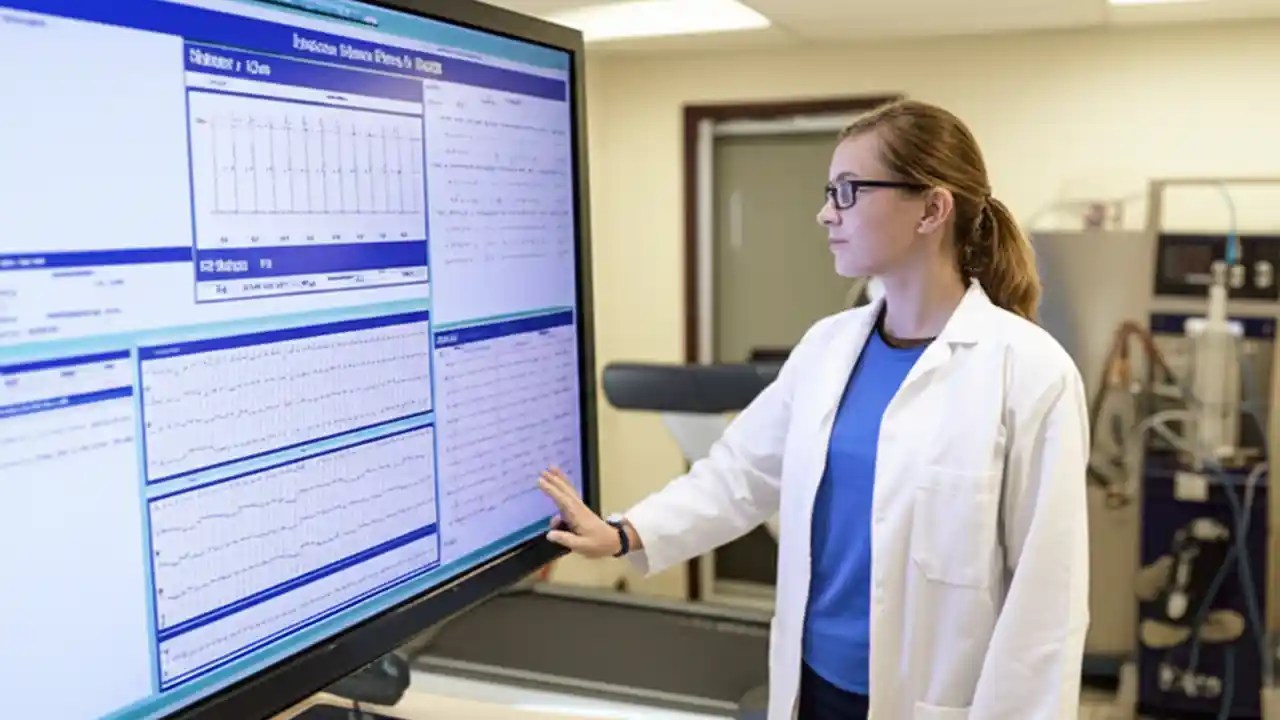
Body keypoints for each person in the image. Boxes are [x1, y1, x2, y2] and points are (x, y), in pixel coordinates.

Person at [536, 99, 1090, 720]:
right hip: (811, 687)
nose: (825, 213)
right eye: (829, 191)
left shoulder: (1030, 373)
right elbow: (740, 476)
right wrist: (622, 534)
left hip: (934, 703)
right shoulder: (828, 347)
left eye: (849, 191)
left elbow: (1047, 605)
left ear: (932, 209)